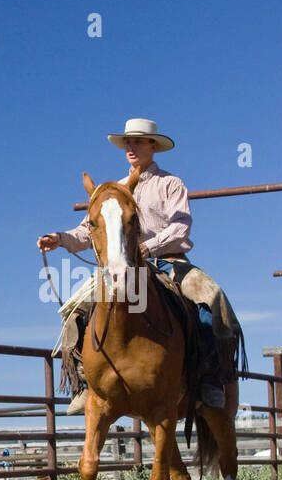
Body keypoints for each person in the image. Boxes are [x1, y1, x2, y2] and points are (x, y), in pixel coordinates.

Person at [37, 118, 241, 413]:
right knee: (74, 310)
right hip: (120, 265)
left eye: (138, 141)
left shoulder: (171, 184)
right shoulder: (112, 190)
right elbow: (87, 230)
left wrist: (147, 247)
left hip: (169, 261)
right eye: (127, 143)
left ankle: (209, 377)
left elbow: (181, 226)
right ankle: (83, 382)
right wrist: (59, 238)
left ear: (153, 146)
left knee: (210, 301)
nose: (130, 147)